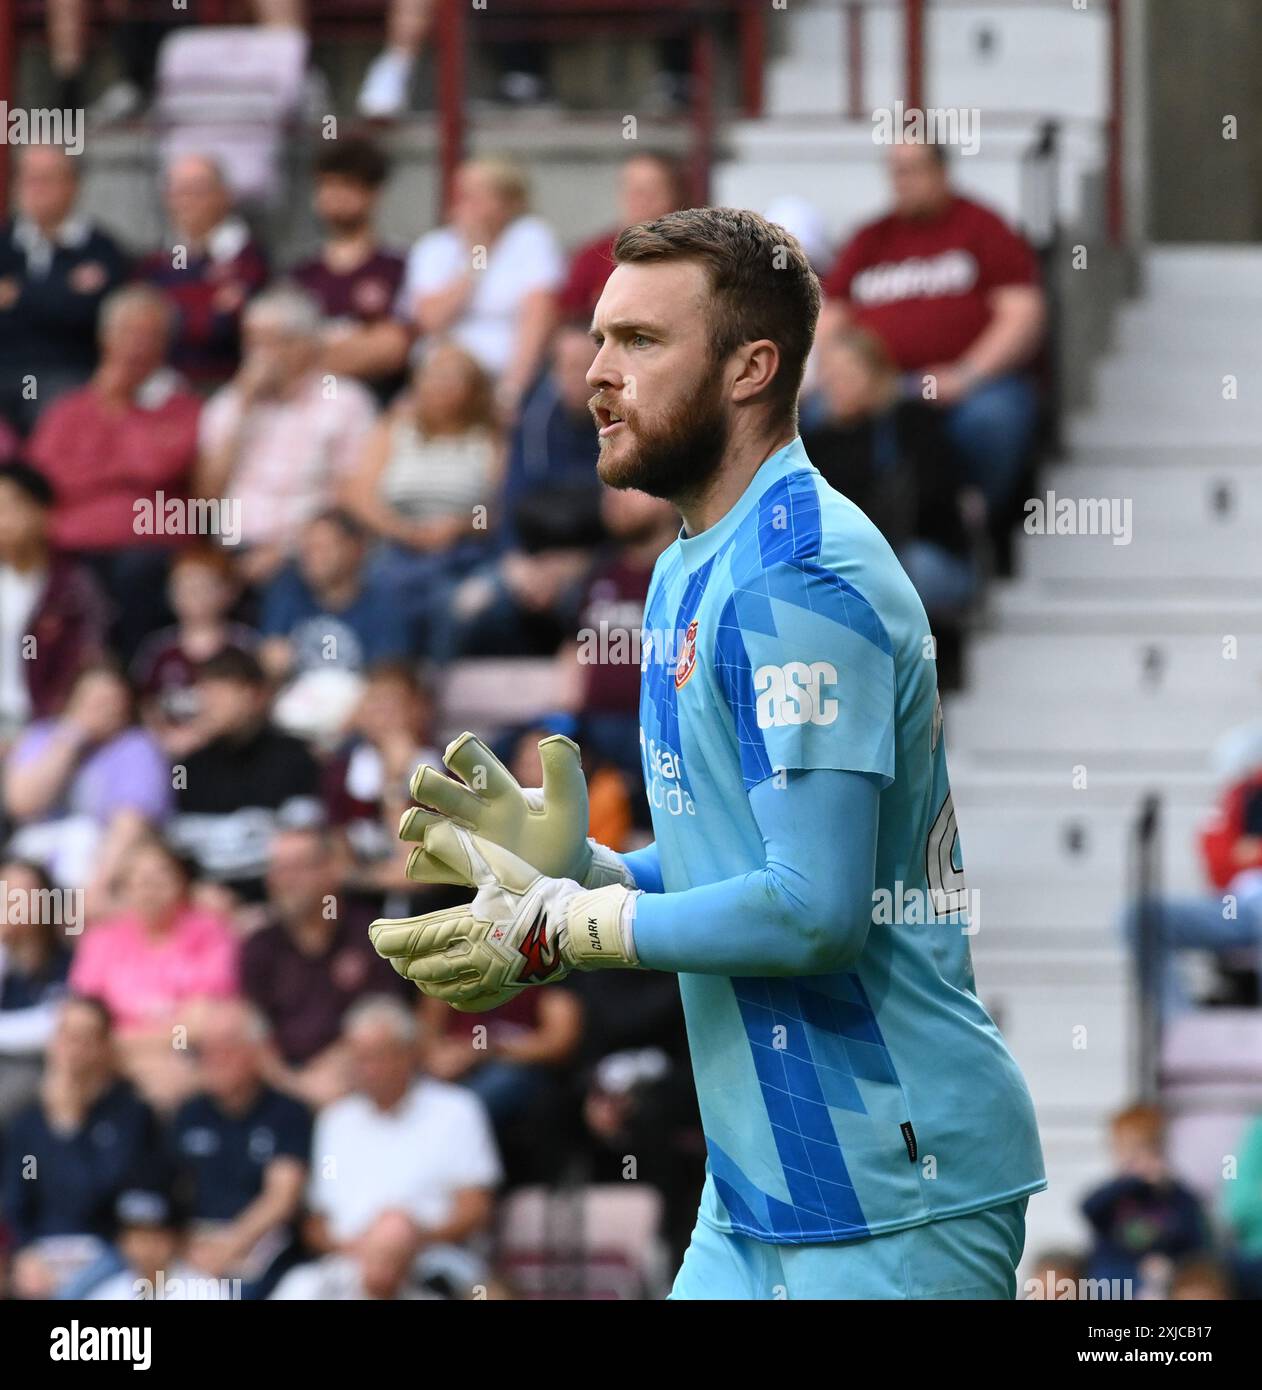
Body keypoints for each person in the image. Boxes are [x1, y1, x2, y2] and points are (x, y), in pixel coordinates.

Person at [374, 206, 1046, 1299]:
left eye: (638, 341)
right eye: (596, 338)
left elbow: (812, 909)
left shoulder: (799, 577)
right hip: (757, 1185)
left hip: (890, 1187)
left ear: (750, 367)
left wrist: (573, 928)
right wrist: (584, 870)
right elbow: (736, 864)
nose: (597, 372)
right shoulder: (689, 562)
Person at [820, 140, 1045, 512]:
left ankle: (969, 525)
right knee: (812, 419)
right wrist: (839, 375)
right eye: (895, 171)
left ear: (942, 171)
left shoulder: (982, 226)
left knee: (992, 422)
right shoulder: (871, 238)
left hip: (974, 383)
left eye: (913, 170)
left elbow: (1023, 313)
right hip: (878, 384)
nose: (902, 181)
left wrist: (967, 374)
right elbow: (830, 319)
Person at [26, 285, 203, 660]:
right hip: (71, 544)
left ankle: (134, 678)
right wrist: (110, 421)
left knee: (136, 573)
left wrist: (122, 411)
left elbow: (159, 466)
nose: (137, 346)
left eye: (150, 336)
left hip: (150, 541)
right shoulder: (69, 409)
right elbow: (43, 480)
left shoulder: (183, 407)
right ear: (104, 337)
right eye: (127, 333)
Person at [303, 997, 501, 1297]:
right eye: (359, 1058)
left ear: (408, 1055)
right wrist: (362, 1249)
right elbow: (317, 1221)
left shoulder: (457, 1110)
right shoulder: (334, 1120)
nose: (367, 1070)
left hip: (432, 1263)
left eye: (377, 1057)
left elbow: (476, 1207)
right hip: (346, 1268)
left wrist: (407, 1240)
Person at [195, 287, 378, 587]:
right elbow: (207, 496)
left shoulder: (345, 400)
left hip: (306, 552)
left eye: (270, 342)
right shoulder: (229, 403)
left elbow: (348, 495)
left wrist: (287, 549)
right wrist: (243, 407)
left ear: (304, 346)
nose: (258, 354)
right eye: (251, 342)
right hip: (233, 549)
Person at [802, 325, 979, 622]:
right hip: (847, 562)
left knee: (899, 576)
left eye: (848, 373)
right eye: (830, 374)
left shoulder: (911, 421)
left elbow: (936, 504)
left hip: (920, 553)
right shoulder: (816, 440)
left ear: (876, 374)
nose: (836, 383)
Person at [338, 343, 501, 648]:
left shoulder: (489, 439)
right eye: (434, 376)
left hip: (462, 551)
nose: (440, 385)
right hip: (395, 545)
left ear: (473, 390)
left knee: (450, 600)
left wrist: (461, 526)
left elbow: (496, 511)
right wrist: (404, 531)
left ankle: (433, 684)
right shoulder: (393, 429)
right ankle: (388, 679)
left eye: (452, 378)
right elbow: (359, 497)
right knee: (382, 590)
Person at [239, 826, 412, 1108]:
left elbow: (388, 1017)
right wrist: (294, 1087)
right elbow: (252, 1028)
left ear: (331, 869)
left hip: (360, 1083)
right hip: (281, 1089)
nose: (285, 881)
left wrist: (336, 1069)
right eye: (278, 869)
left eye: (297, 868)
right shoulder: (259, 945)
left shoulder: (372, 933)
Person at [1, 997, 163, 1297]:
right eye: (65, 1034)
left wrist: (69, 1126)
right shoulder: (29, 1123)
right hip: (42, 1253)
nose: (72, 1047)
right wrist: (25, 1253)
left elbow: (101, 1194)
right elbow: (17, 1196)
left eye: (84, 1037)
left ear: (104, 1047)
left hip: (107, 1252)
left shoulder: (130, 1116)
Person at [396, 157, 563, 421]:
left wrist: (511, 393)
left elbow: (537, 320)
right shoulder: (434, 246)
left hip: (505, 381)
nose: (467, 204)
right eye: (464, 195)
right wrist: (477, 257)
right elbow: (430, 320)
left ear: (509, 202)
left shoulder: (531, 237)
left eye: (479, 195)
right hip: (439, 379)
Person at [168, 1000, 311, 1298]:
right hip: (196, 1244)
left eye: (225, 1047)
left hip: (264, 1244)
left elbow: (281, 1199)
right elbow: (167, 1192)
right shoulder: (188, 1113)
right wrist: (182, 1245)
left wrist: (229, 1246)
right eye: (204, 1048)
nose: (212, 1058)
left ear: (256, 1051)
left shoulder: (288, 1113)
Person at [165, 648, 322, 904]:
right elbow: (181, 853)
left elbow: (303, 850)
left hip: (276, 908)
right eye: (205, 694)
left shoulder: (294, 758)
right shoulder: (189, 768)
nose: (210, 704)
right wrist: (197, 893)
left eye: (221, 694)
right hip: (207, 908)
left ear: (255, 696)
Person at [3, 663, 171, 895]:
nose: (101, 709)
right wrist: (72, 738)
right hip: (33, 870)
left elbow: (131, 824)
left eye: (111, 701)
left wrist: (96, 890)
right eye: (93, 699)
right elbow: (22, 803)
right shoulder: (41, 736)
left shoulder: (138, 748)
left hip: (99, 876)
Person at [0, 145, 130, 435]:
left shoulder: (102, 249)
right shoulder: (5, 243)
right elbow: (67, 306)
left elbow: (87, 315)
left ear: (73, 185)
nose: (35, 189)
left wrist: (18, 295)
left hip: (67, 375)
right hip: (5, 371)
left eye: (46, 179)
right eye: (28, 179)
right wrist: (59, 292)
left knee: (60, 418)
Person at [288, 135, 409, 404]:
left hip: (376, 402)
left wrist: (315, 352)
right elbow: (282, 352)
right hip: (307, 409)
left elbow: (392, 350)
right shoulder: (301, 273)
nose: (335, 196)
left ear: (373, 193)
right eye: (326, 185)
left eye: (347, 185)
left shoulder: (397, 267)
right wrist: (361, 339)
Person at [136, 154, 270, 389]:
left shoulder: (250, 259)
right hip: (163, 385)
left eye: (197, 190)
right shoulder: (155, 262)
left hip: (232, 384)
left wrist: (178, 316)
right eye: (178, 191)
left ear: (225, 195)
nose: (186, 201)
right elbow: (146, 330)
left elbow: (226, 329)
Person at [0, 460, 106, 742]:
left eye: (11, 507)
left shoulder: (73, 587)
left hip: (48, 726)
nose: (2, 519)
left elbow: (88, 658)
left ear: (42, 513)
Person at [129, 545, 260, 758]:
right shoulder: (158, 649)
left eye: (202, 587)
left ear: (229, 591)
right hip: (166, 751)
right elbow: (145, 703)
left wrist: (201, 736)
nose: (192, 595)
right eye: (182, 587)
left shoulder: (244, 645)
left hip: (230, 752)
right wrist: (165, 738)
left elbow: (253, 704)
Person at [258, 509, 410, 682]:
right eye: (307, 548)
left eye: (323, 548)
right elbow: (270, 654)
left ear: (355, 549)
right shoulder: (287, 591)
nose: (311, 557)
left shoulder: (384, 605)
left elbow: (386, 675)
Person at [1081, 1103, 1210, 1297]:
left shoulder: (1175, 1195)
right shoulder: (1113, 1194)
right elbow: (1089, 1209)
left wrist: (1166, 1188)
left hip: (1165, 1271)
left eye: (1142, 1151)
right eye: (1126, 1152)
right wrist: (1131, 1182)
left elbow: (1192, 1236)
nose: (1134, 1160)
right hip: (1117, 1272)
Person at [499, 319, 604, 541]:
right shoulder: (534, 419)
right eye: (564, 366)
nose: (573, 378)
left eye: (583, 366)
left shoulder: (626, 424)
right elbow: (513, 500)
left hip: (598, 558)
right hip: (534, 553)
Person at [558, 153, 686, 323]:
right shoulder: (594, 254)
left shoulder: (690, 255)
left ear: (674, 196)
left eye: (651, 190)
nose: (640, 199)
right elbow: (567, 318)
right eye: (632, 189)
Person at [0, 858, 73, 1125]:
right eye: (5, 893)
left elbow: (53, 1026)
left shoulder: (68, 960)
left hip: (38, 1065)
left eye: (24, 894)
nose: (13, 904)